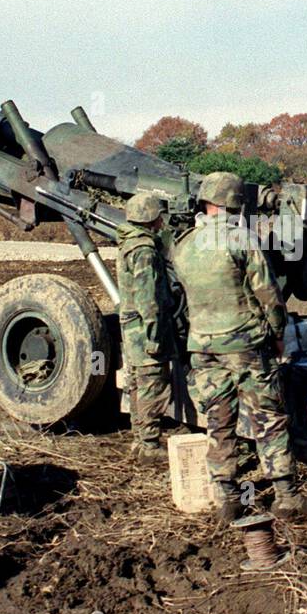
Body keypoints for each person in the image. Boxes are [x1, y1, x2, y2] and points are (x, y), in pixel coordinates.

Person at [172, 171, 307, 524]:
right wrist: (277, 333)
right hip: (245, 344)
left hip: (203, 347)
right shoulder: (240, 239)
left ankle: (228, 498)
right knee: (269, 418)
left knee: (218, 419)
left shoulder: (183, 244)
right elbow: (269, 294)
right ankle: (287, 497)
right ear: (233, 204)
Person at [117, 192, 179, 463]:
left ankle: (139, 439)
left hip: (132, 326)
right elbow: (148, 298)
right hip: (144, 328)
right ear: (152, 218)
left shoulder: (128, 243)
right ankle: (150, 445)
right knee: (152, 383)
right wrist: (155, 335)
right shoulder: (144, 250)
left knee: (137, 382)